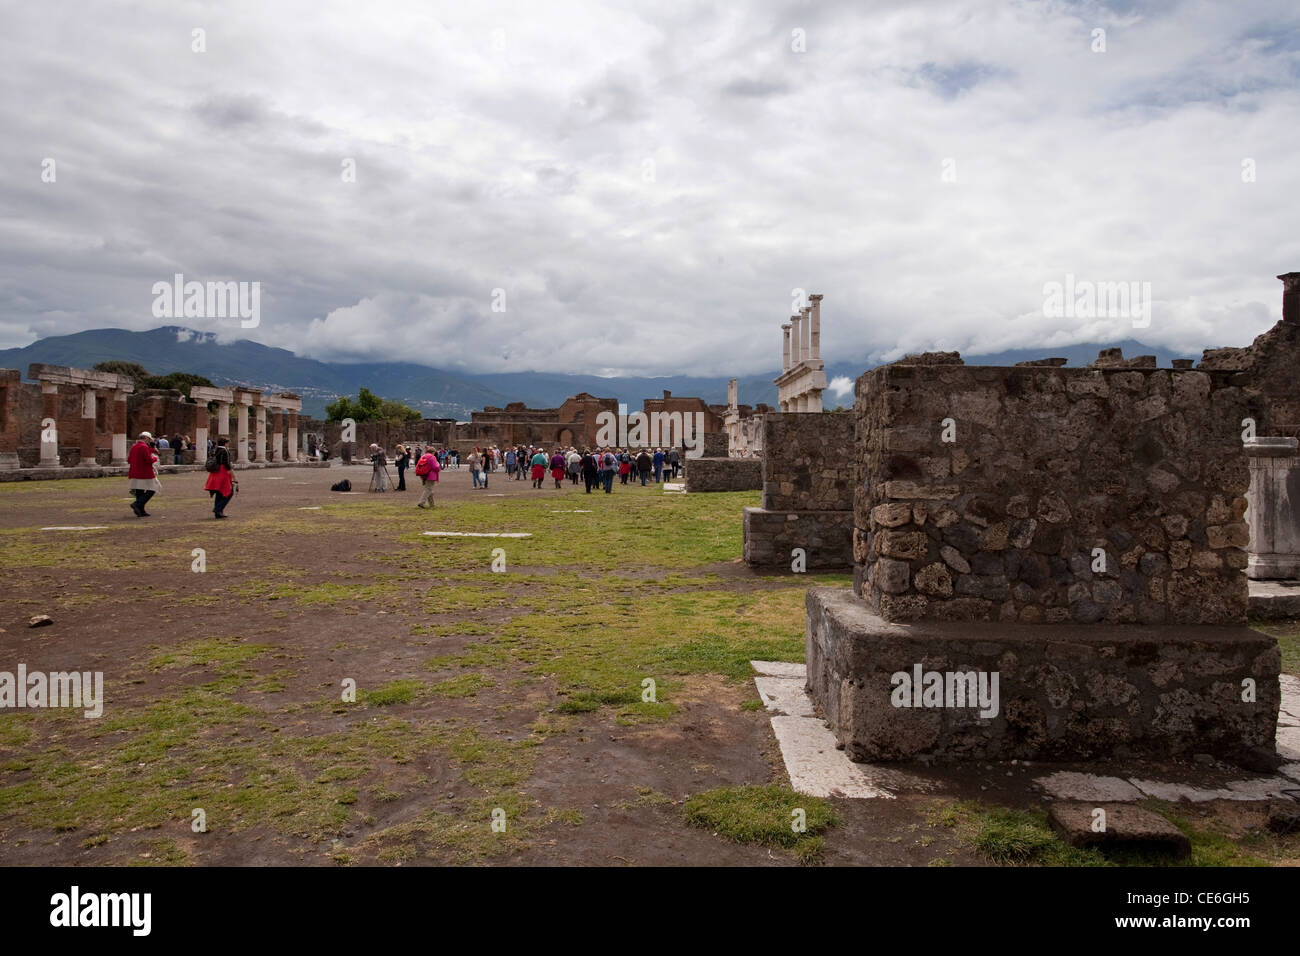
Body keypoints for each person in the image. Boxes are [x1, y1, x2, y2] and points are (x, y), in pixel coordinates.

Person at [127, 431, 158, 517]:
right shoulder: (144, 447)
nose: (149, 441)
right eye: (149, 439)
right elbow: (148, 460)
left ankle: (140, 510)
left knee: (139, 491)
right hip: (144, 473)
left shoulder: (134, 447)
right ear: (146, 438)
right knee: (152, 489)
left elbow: (129, 460)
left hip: (134, 472)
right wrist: (155, 458)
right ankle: (137, 504)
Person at [204, 436, 236, 518]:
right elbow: (227, 464)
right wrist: (234, 477)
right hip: (223, 472)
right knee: (229, 492)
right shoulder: (225, 450)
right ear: (225, 443)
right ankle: (218, 509)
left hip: (215, 472)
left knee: (219, 492)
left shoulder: (215, 449)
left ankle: (218, 513)